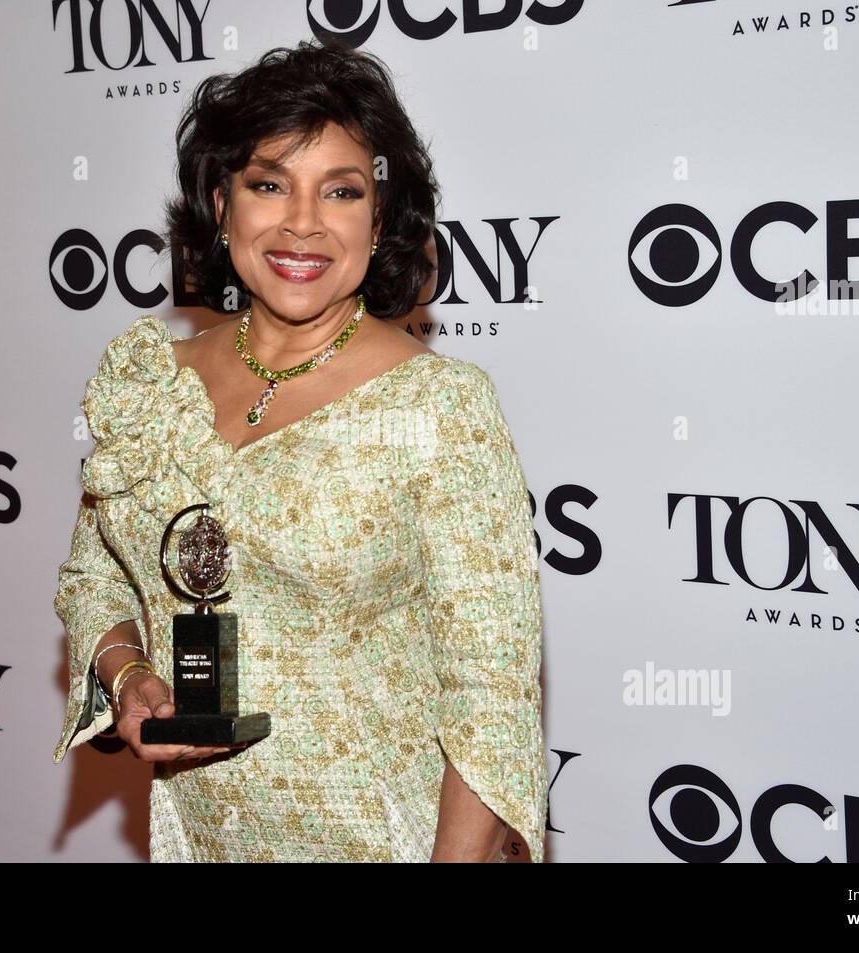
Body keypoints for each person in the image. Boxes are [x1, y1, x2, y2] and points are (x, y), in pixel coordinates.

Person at [52, 40, 547, 862]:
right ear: (221, 203)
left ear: (380, 218)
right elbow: (92, 576)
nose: (303, 223)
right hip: (198, 840)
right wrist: (126, 671)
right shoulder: (149, 384)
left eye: (342, 191)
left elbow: (492, 702)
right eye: (269, 184)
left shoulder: (440, 406)